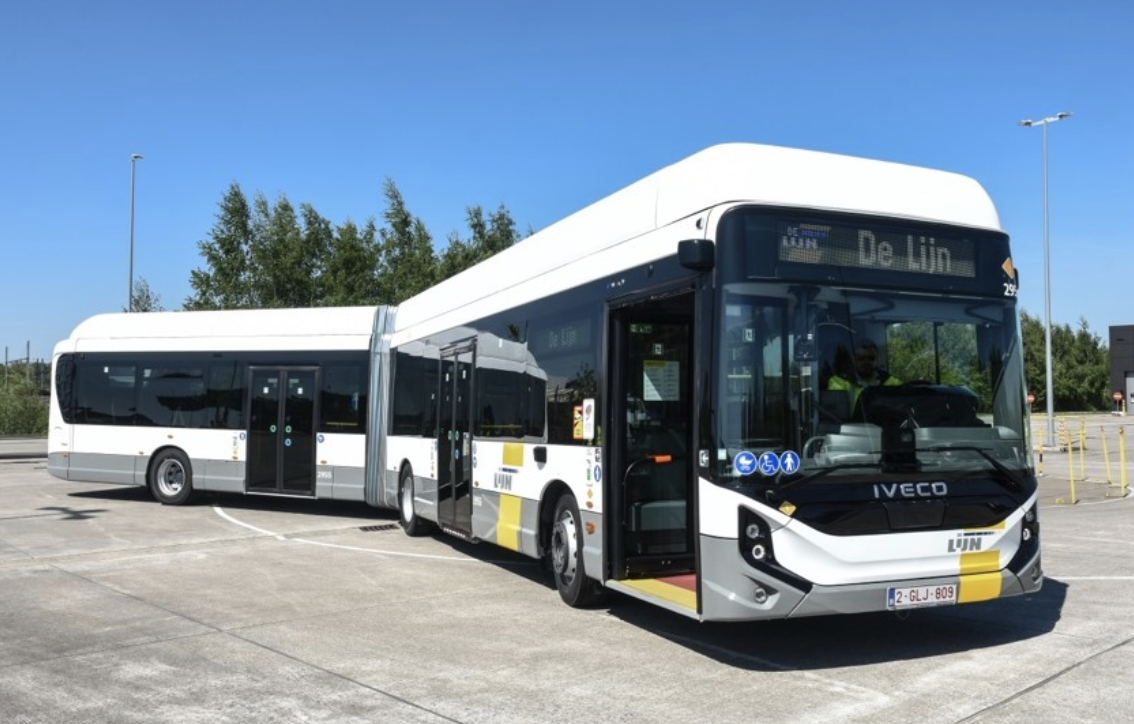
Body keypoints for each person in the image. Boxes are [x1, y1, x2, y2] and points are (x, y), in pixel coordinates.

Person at [827, 339, 901, 408]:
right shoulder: (839, 382)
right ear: (853, 359)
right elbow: (838, 413)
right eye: (861, 359)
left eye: (871, 358)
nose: (866, 362)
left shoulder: (890, 382)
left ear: (878, 359)